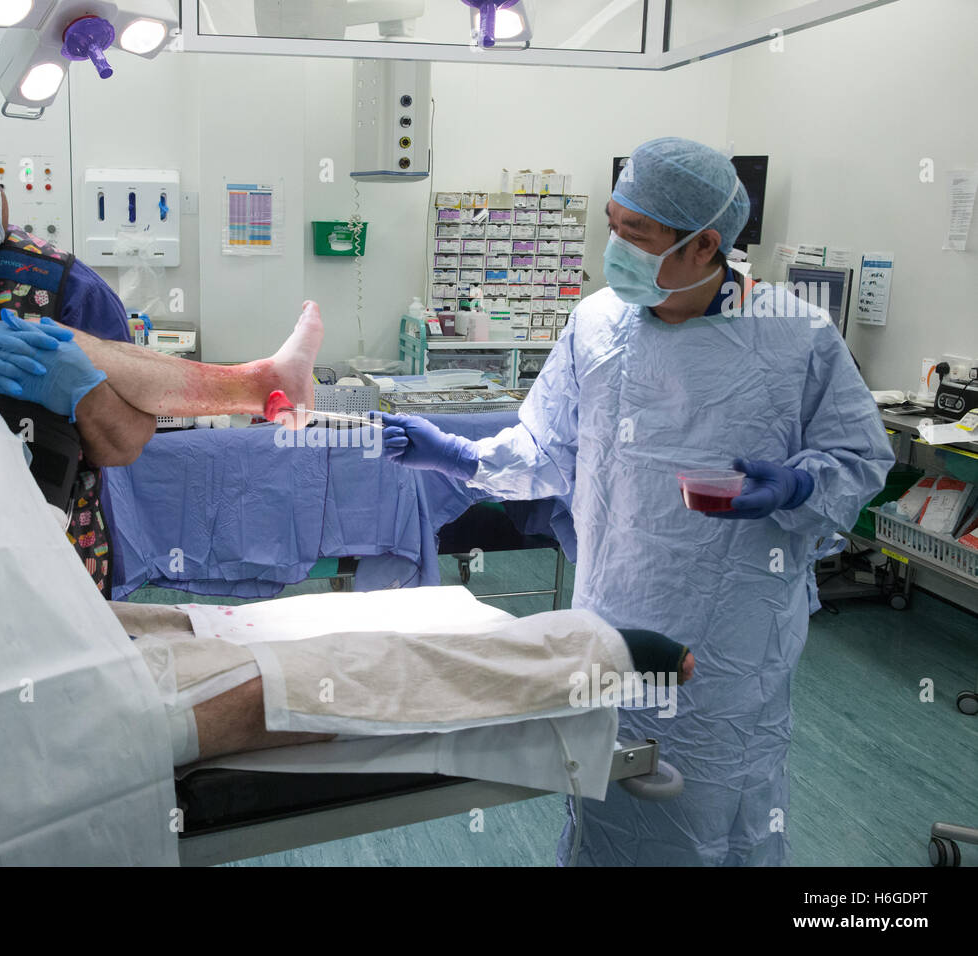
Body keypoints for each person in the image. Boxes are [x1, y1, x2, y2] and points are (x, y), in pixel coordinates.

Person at [380, 137, 896, 865]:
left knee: (708, 803)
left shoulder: (795, 336)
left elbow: (860, 456)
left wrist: (802, 484)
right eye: (613, 223)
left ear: (705, 244)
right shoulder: (596, 323)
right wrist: (463, 457)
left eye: (637, 233)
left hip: (730, 632)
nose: (614, 245)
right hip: (612, 604)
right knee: (608, 787)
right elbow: (549, 446)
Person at [0, 95, 324, 596]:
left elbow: (125, 444)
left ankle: (260, 383)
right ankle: (261, 383)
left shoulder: (62, 284)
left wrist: (84, 391)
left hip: (30, 557)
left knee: (75, 347)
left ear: (0, 182)